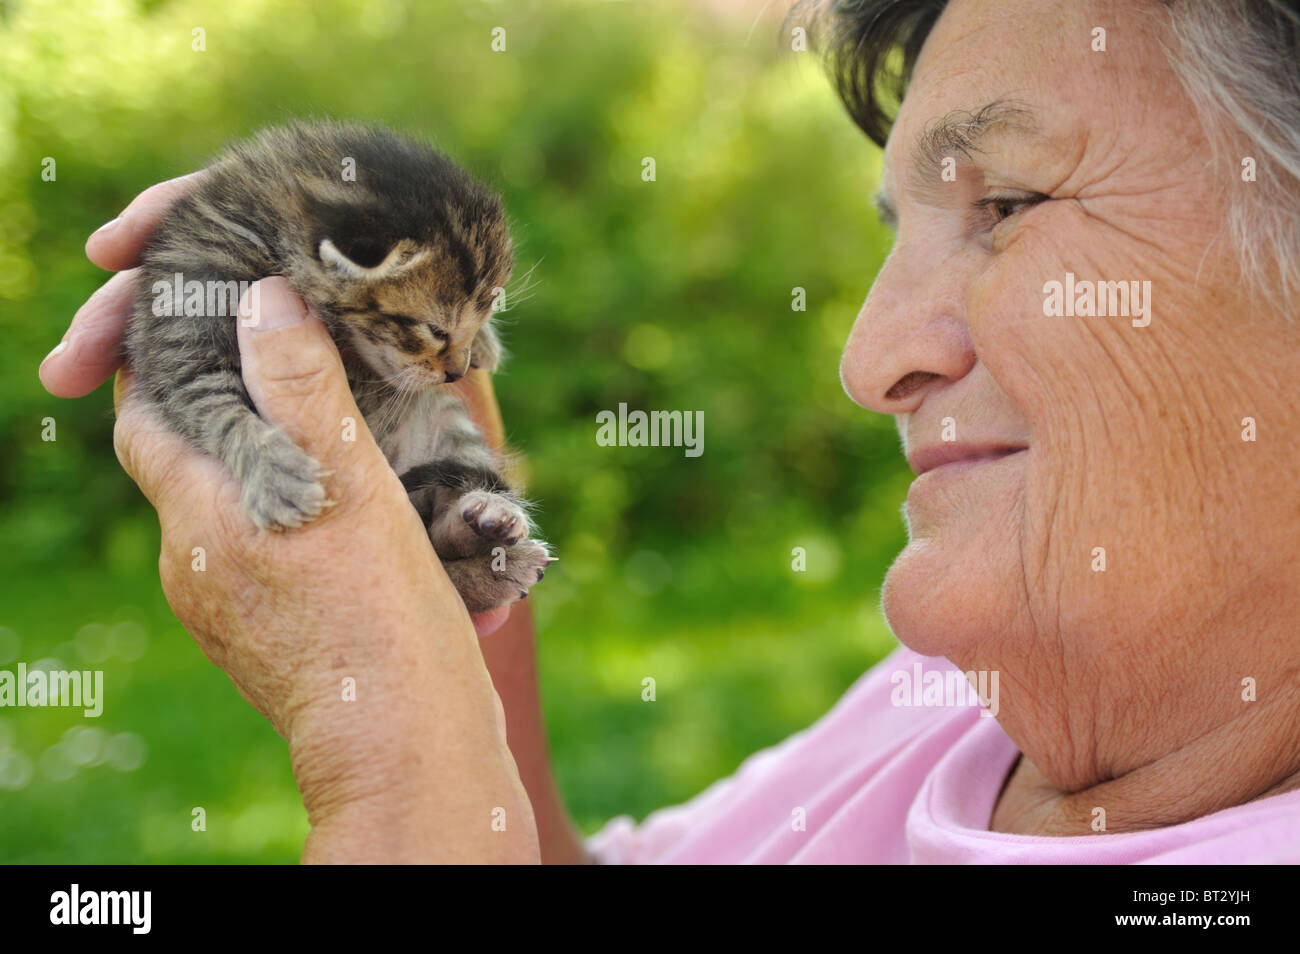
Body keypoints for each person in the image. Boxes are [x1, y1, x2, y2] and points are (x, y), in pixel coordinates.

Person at [39, 0, 1300, 862]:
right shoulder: (947, 705)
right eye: (891, 231)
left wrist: (381, 760)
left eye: (1010, 202)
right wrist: (427, 498)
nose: (868, 361)